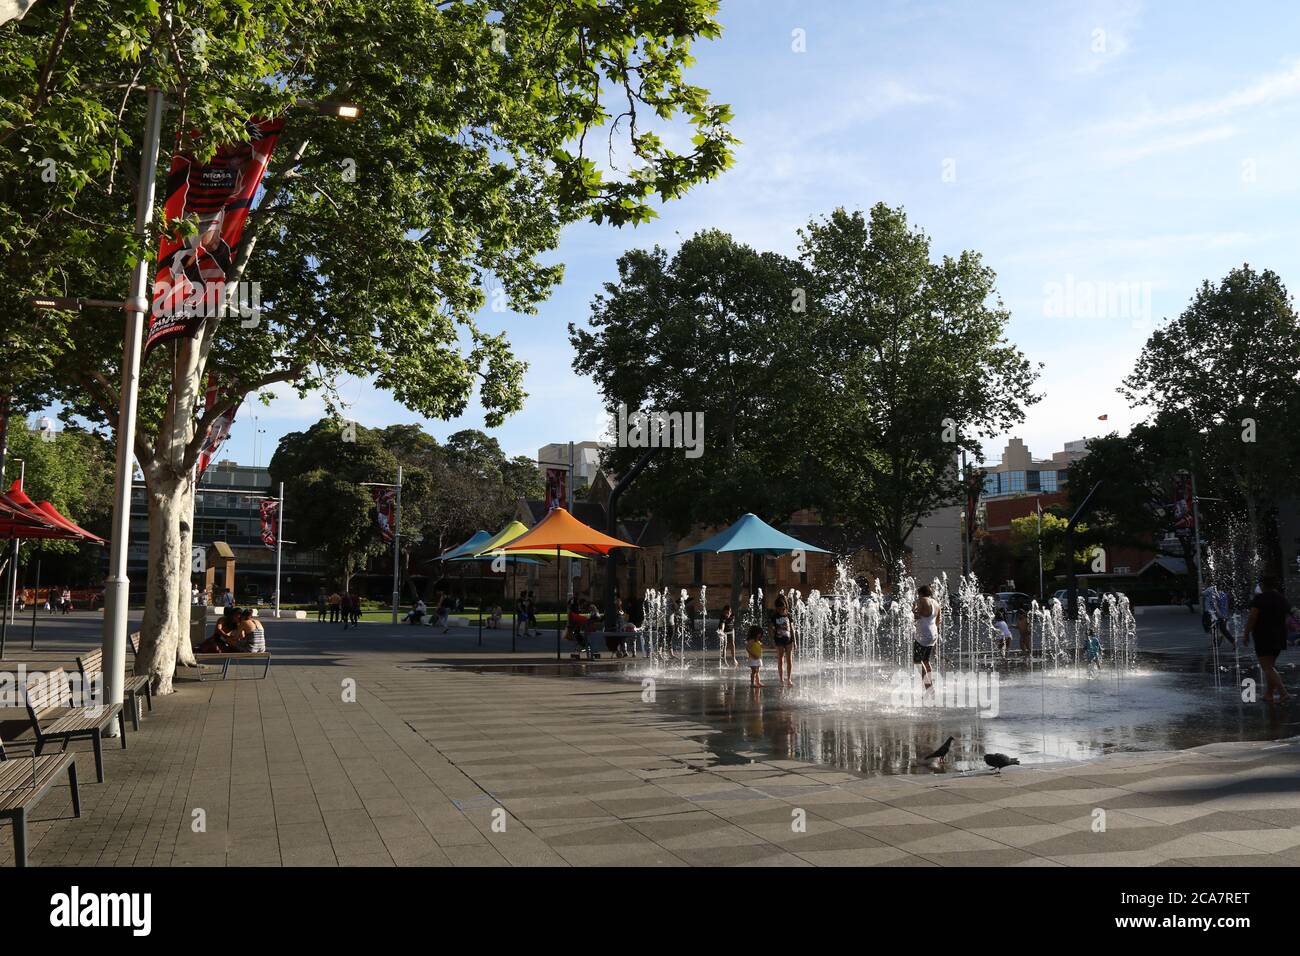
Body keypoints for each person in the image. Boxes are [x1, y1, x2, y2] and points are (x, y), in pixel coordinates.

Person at [1243, 576, 1292, 704]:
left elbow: (1253, 616)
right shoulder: (1281, 598)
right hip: (1280, 636)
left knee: (1267, 667)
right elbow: (1289, 613)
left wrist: (1246, 633)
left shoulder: (1259, 599)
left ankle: (1283, 693)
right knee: (1270, 666)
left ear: (1263, 585)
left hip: (1263, 636)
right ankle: (1269, 694)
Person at [913, 584, 941, 690]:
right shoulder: (936, 604)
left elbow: (917, 616)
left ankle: (928, 687)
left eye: (918, 594)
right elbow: (938, 621)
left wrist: (911, 611)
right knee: (925, 660)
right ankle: (930, 684)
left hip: (923, 635)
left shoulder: (922, 600)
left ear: (921, 593)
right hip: (933, 634)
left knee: (917, 661)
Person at [770, 593, 794, 688]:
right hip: (779, 640)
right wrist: (772, 639)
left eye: (783, 609)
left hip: (789, 640)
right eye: (780, 609)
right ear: (777, 608)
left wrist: (794, 641)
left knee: (789, 659)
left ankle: (789, 679)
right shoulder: (774, 616)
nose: (782, 610)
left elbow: (792, 628)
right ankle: (781, 679)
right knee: (780, 659)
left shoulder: (788, 615)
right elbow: (770, 628)